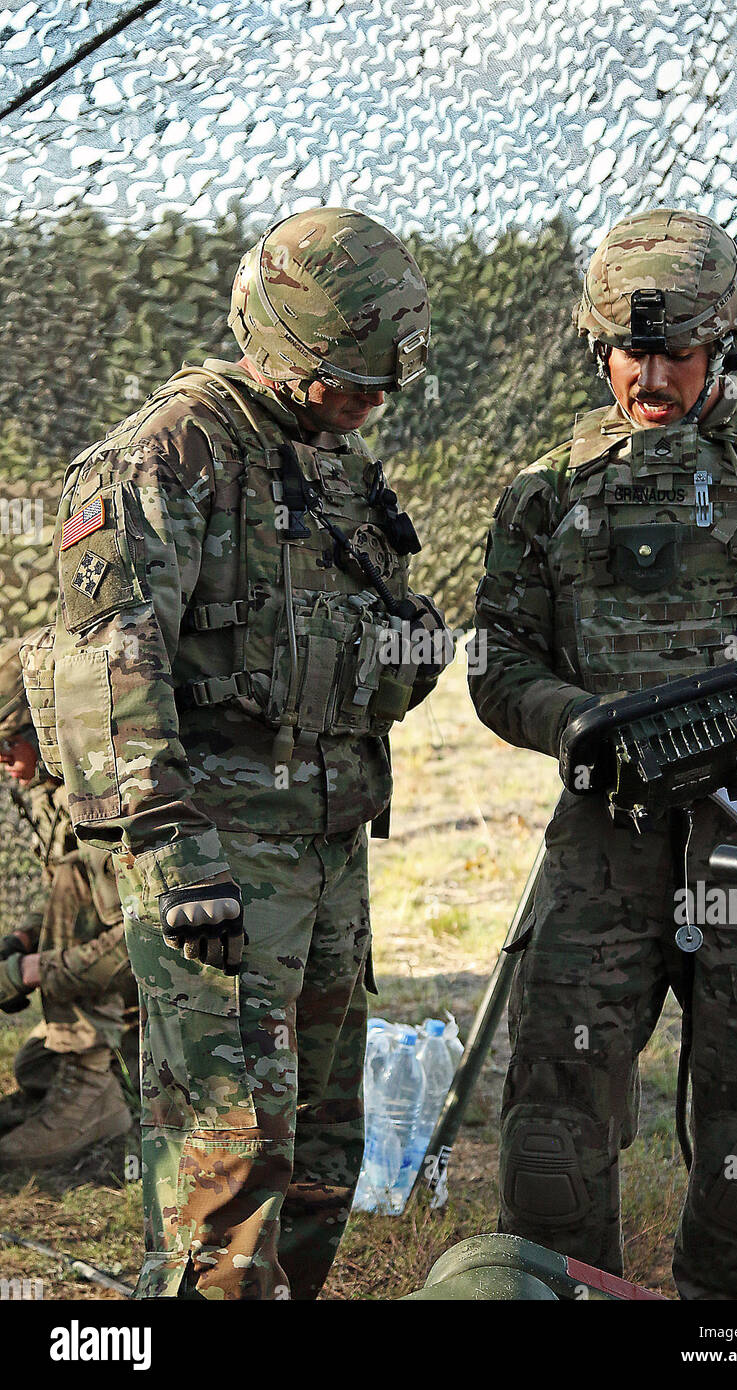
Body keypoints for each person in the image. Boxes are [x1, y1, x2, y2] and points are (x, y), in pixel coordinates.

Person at [41, 207, 448, 1299]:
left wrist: (408, 648)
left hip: (325, 858)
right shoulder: (161, 456)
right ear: (274, 343)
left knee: (322, 1160)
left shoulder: (332, 460)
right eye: (343, 376)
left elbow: (380, 628)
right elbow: (107, 667)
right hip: (216, 870)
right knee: (224, 1185)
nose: (366, 399)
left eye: (380, 378)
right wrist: (174, 859)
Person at [469, 206, 737, 1299]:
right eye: (628, 350)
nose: (648, 375)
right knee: (552, 1126)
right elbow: (494, 663)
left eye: (674, 352)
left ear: (725, 346)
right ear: (597, 346)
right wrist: (570, 721)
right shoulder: (545, 490)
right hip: (605, 840)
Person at [0, 633, 137, 1165]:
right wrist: (25, 938)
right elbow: (72, 900)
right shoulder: (50, 790)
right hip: (116, 976)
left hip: (175, 967)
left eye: (10, 742)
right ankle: (84, 1087)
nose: (5, 761)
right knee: (35, 1063)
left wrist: (36, 968)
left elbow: (141, 935)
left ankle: (90, 1100)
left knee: (58, 1057)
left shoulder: (112, 790)